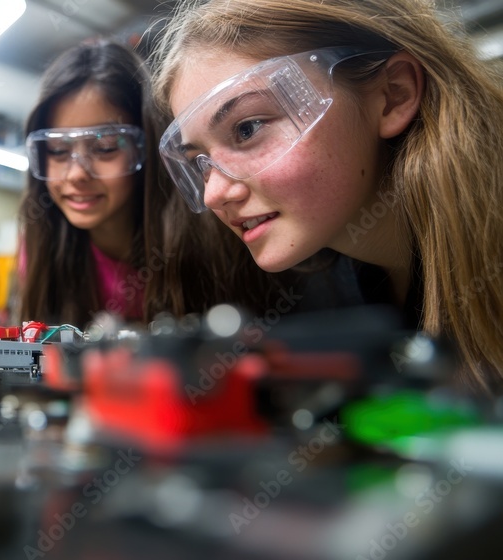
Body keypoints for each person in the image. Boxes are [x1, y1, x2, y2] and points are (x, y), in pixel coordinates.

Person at [151, 0, 503, 389]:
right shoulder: (325, 288)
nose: (214, 194)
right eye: (199, 161)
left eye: (248, 128)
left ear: (393, 95)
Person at [18, 39, 280, 326]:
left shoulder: (214, 233)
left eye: (105, 147)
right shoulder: (41, 247)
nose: (76, 174)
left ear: (148, 147)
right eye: (57, 151)